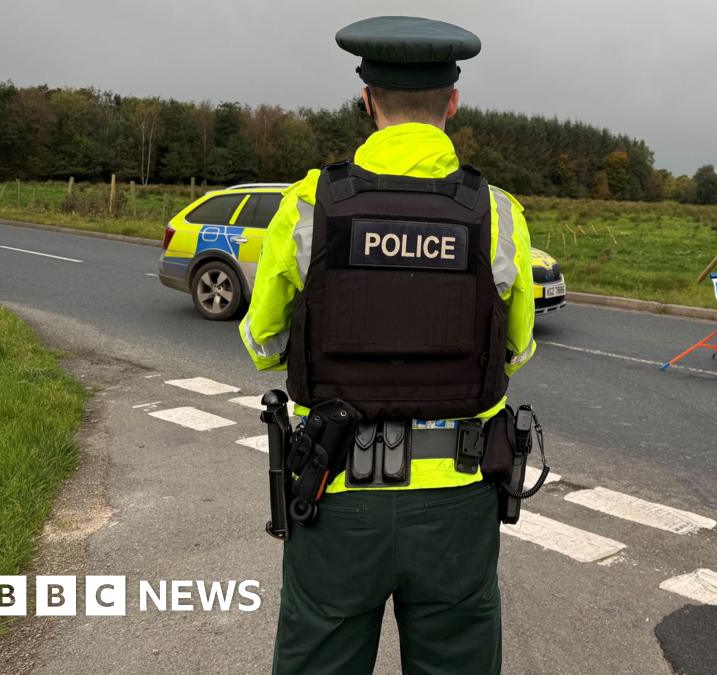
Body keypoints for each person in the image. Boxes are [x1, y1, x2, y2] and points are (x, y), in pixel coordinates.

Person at [238, 15, 536, 674]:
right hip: (458, 506)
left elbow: (263, 342)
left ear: (366, 98)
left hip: (334, 492)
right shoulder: (498, 213)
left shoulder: (308, 205)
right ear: (452, 103)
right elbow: (515, 350)